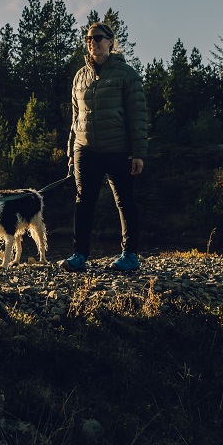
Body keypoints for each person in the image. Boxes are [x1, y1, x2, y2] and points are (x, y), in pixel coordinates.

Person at [57, 21, 148, 272]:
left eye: (97, 38)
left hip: (118, 149)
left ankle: (129, 255)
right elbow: (76, 118)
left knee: (124, 201)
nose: (92, 43)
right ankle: (79, 255)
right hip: (85, 149)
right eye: (88, 39)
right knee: (83, 201)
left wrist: (138, 153)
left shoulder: (127, 74)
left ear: (110, 42)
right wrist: (71, 153)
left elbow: (137, 116)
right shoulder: (80, 76)